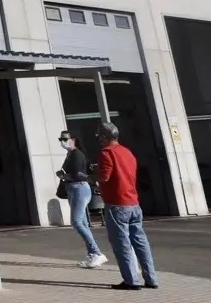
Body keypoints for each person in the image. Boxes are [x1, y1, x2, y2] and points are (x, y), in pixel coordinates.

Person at [96, 123, 157, 290]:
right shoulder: (127, 152)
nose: (99, 140)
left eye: (99, 136)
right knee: (140, 241)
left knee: (122, 243)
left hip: (117, 204)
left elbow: (104, 177)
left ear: (104, 137)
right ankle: (151, 278)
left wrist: (87, 177)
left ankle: (131, 280)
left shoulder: (106, 153)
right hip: (133, 202)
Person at [57, 131, 106, 269]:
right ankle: (92, 254)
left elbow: (78, 175)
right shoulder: (70, 155)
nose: (62, 141)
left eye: (65, 139)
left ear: (73, 139)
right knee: (83, 223)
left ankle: (96, 253)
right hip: (74, 189)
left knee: (77, 221)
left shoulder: (77, 154)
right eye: (60, 139)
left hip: (79, 188)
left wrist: (64, 176)